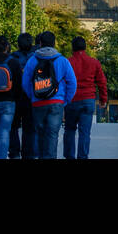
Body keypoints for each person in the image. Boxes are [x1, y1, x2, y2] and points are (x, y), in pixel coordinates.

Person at [22, 31, 77, 159]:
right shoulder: (62, 61)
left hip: (37, 103)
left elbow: (25, 82)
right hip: (56, 103)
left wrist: (33, 96)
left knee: (40, 134)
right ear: (54, 43)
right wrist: (65, 101)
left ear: (40, 43)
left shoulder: (32, 60)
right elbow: (72, 83)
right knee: (52, 135)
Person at [64, 35, 108, 159]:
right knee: (84, 132)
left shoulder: (67, 62)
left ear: (72, 48)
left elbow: (62, 81)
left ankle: (69, 156)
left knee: (69, 130)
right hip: (88, 100)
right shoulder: (94, 62)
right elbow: (101, 82)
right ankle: (82, 156)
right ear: (85, 47)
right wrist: (103, 99)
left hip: (71, 100)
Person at [9, 33, 36, 159]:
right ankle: (28, 153)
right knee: (29, 128)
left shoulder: (12, 58)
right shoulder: (35, 58)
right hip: (31, 96)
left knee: (13, 126)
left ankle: (14, 152)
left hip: (15, 96)